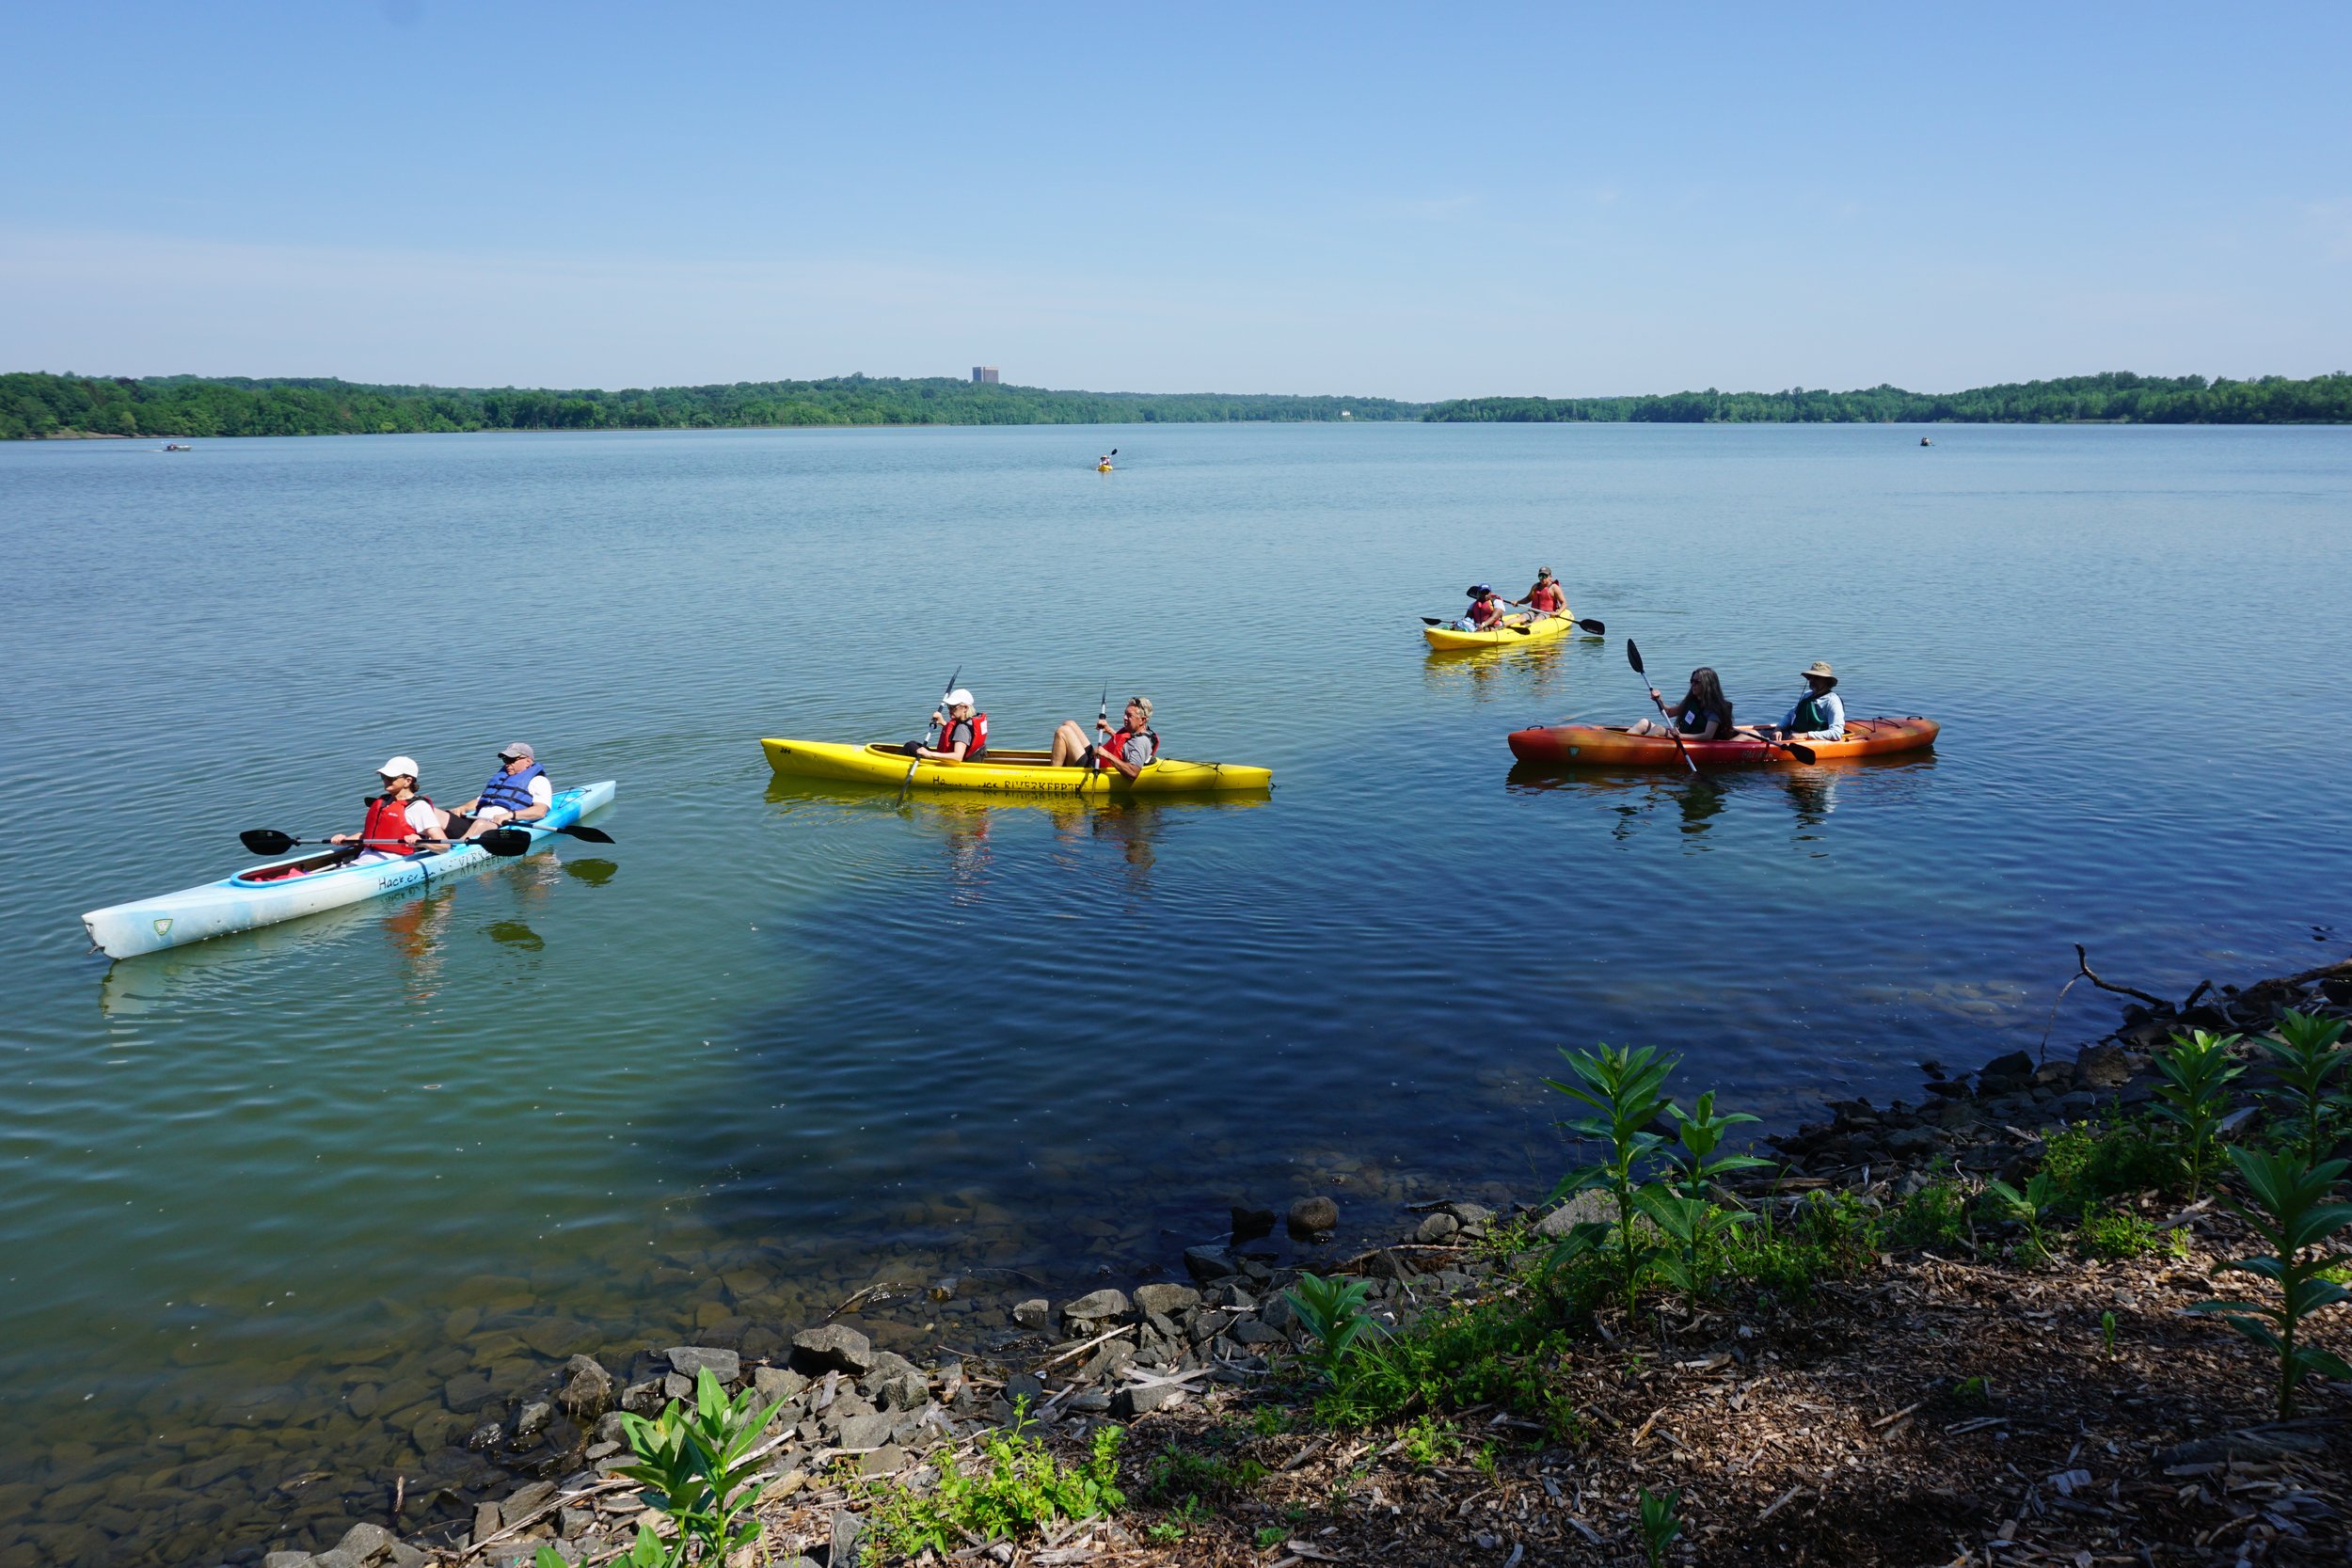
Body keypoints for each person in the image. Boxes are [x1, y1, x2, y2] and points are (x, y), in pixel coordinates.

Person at [329, 757, 449, 863]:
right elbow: (368, 836)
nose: (385, 780)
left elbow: (445, 846)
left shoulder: (418, 807)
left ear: (408, 781)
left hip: (397, 862)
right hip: (365, 857)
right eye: (383, 777)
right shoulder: (383, 803)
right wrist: (345, 840)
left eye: (391, 778)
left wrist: (420, 842)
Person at [445, 742, 551, 841]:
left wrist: (509, 815)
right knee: (440, 815)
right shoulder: (501, 780)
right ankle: (433, 843)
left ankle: (452, 848)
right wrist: (463, 808)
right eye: (505, 760)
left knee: (480, 824)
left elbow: (539, 811)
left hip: (500, 827)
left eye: (512, 760)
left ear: (527, 761)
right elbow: (480, 800)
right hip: (475, 821)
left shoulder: (538, 781)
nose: (507, 764)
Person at [1050, 695, 1159, 779]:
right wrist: (1109, 730)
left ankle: (1052, 777)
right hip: (1096, 759)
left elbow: (1133, 773)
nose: (1124, 718)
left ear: (1143, 720)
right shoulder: (1138, 731)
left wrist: (1106, 754)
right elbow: (1125, 746)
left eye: (1129, 716)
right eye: (1125, 714)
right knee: (1069, 723)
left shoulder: (1140, 742)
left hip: (1091, 768)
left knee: (1062, 732)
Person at [1628, 667, 1735, 739]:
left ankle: (1634, 749)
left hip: (1689, 741)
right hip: (1679, 736)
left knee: (1659, 729)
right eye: (1692, 681)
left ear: (1708, 685)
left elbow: (1708, 735)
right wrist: (1659, 700)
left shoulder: (1714, 709)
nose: (1693, 684)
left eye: (1697, 682)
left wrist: (1682, 736)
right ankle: (1625, 743)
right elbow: (1668, 713)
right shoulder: (1692, 701)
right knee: (1644, 722)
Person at [1754, 660, 1846, 741]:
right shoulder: (1807, 695)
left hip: (1806, 741)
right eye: (1811, 677)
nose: (1812, 680)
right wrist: (1778, 729)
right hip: (1790, 735)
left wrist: (1805, 735)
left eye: (1817, 678)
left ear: (1827, 681)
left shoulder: (1832, 701)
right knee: (1744, 736)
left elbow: (1837, 733)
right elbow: (1791, 715)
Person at [912, 689, 988, 764]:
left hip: (954, 765)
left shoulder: (962, 728)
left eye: (953, 707)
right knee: (914, 744)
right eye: (949, 706)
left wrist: (929, 754)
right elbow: (959, 736)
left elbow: (958, 757)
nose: (950, 710)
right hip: (968, 762)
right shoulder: (970, 722)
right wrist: (943, 723)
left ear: (965, 708)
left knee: (910, 747)